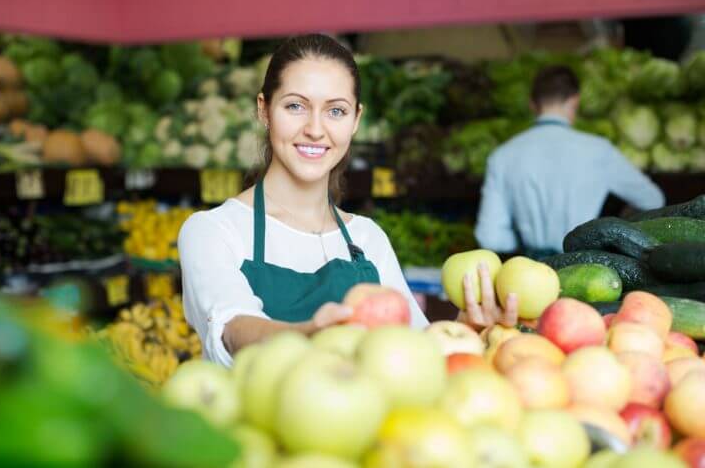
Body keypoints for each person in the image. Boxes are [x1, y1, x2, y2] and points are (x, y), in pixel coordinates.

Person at [179, 34, 515, 366]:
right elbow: (234, 329)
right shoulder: (213, 231)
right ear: (264, 110)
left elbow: (415, 352)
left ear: (356, 120)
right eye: (295, 106)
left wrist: (468, 328)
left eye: (335, 111)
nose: (315, 129)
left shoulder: (367, 238)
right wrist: (312, 336)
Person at [474, 65, 665, 258]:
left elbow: (491, 237)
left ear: (532, 104)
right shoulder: (598, 150)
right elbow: (652, 199)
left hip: (528, 272)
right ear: (575, 101)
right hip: (586, 268)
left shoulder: (502, 156)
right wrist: (618, 226)